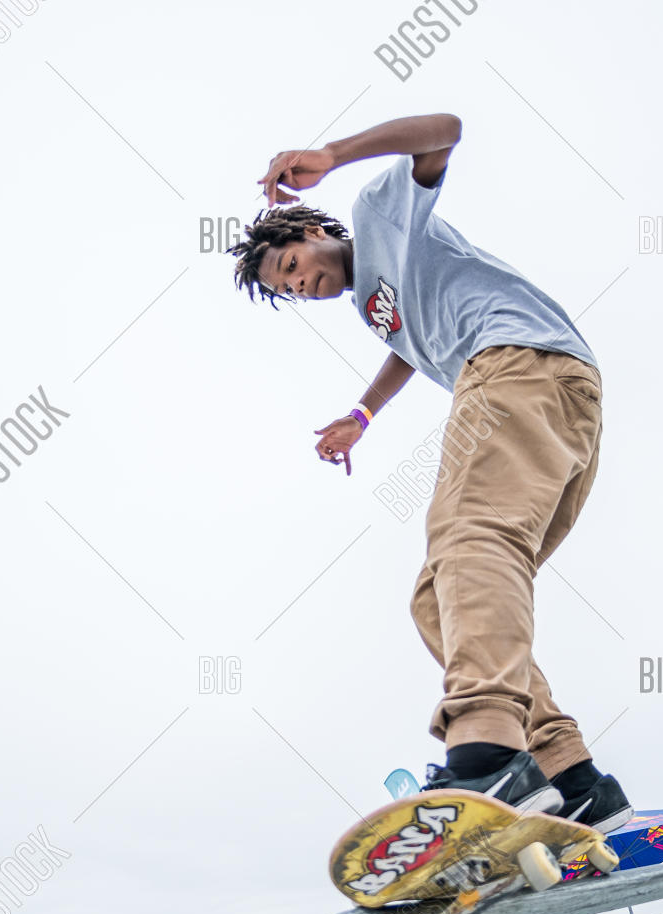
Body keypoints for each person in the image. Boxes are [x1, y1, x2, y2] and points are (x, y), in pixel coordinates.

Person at [236, 113, 631, 830]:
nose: (303, 285)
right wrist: (361, 415)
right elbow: (408, 348)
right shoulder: (373, 302)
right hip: (552, 397)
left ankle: (488, 754)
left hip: (516, 367)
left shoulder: (378, 214)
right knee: (438, 594)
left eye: (292, 266)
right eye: (289, 291)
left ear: (313, 230)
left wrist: (333, 153)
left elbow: (444, 129)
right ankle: (568, 775)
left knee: (469, 536)